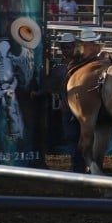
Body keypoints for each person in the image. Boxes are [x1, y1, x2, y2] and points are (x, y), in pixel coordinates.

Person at [32, 33, 84, 171]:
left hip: (76, 107)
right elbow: (49, 85)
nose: (66, 49)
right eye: (64, 47)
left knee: (75, 137)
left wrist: (39, 93)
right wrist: (39, 92)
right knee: (74, 138)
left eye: (69, 47)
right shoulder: (64, 68)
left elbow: (49, 85)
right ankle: (78, 166)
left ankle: (79, 165)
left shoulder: (64, 68)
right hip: (72, 108)